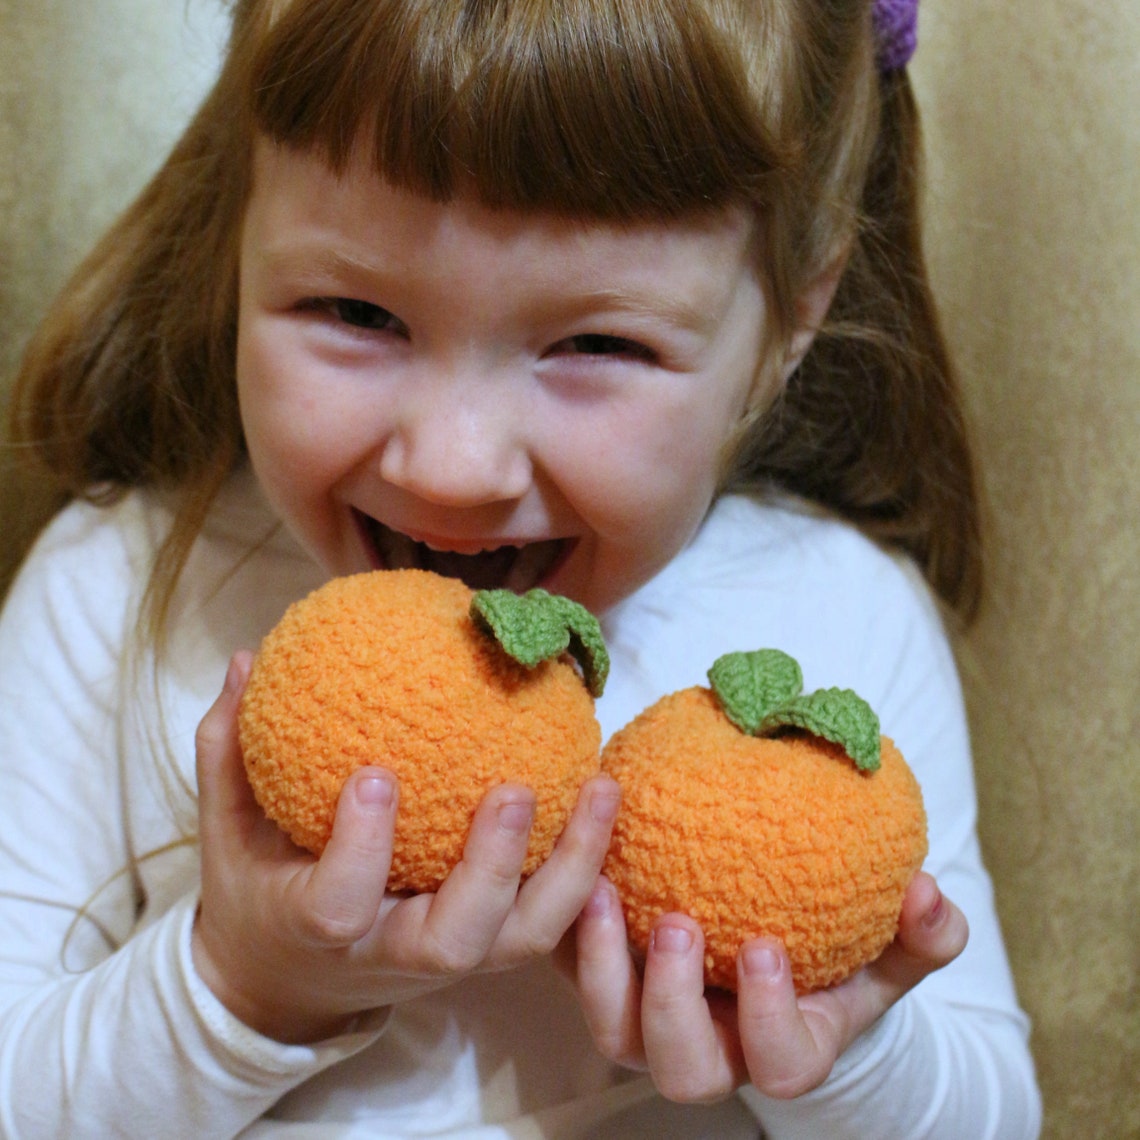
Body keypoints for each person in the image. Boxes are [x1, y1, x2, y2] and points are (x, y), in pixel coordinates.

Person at [0, 0, 1042, 1136]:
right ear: (237, 242)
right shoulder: (108, 591)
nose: (453, 466)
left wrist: (843, 1051)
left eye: (598, 345)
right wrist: (242, 988)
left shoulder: (842, 614)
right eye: (355, 312)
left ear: (793, 319)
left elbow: (996, 1112)